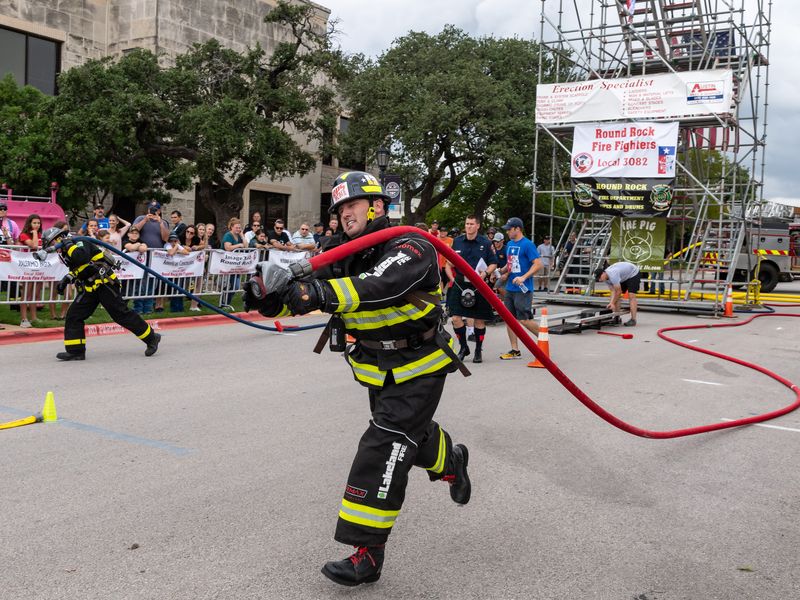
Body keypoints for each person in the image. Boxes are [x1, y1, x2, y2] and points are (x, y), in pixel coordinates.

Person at [243, 171, 471, 587]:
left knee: (383, 445)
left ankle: (367, 553)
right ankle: (450, 461)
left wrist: (316, 294)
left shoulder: (411, 244)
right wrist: (272, 300)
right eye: (339, 208)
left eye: (352, 205)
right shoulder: (337, 250)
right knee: (409, 438)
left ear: (377, 206)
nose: (344, 214)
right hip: (376, 369)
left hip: (420, 365)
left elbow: (378, 285)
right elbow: (309, 291)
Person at [36, 227, 160, 360]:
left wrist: (68, 245)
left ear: (59, 238)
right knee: (74, 316)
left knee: (121, 314)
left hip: (104, 283)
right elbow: (81, 267)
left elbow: (81, 257)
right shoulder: (67, 250)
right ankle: (75, 351)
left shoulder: (79, 242)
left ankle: (151, 338)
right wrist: (67, 279)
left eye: (52, 244)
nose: (54, 248)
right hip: (89, 288)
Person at [444, 215, 497, 364]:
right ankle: (463, 347)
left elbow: (493, 263)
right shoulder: (457, 241)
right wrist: (452, 279)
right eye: (467, 223)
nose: (469, 226)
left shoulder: (486, 243)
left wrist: (485, 273)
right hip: (460, 283)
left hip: (479, 284)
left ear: (478, 226)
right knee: (455, 318)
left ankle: (478, 350)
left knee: (479, 320)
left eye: (472, 224)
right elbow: (449, 263)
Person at [499, 217, 541, 363]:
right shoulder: (510, 244)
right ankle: (514, 350)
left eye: (509, 229)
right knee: (509, 319)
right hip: (510, 287)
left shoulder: (528, 244)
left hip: (523, 288)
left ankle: (543, 338)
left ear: (517, 229)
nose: (507, 232)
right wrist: (503, 271)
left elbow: (538, 264)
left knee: (524, 320)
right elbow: (511, 263)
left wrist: (523, 277)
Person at [132, 201, 170, 313]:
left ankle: (148, 308)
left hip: (156, 257)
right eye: (151, 209)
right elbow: (133, 231)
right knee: (140, 281)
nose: (153, 211)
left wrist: (160, 223)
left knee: (152, 282)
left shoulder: (163, 222)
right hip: (142, 255)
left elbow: (165, 238)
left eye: (155, 209)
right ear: (148, 209)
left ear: (159, 211)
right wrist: (145, 220)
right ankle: (138, 308)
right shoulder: (141, 218)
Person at [18, 214, 45, 327]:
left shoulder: (40, 235)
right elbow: (34, 246)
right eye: (34, 223)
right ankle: (24, 318)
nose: (37, 225)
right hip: (27, 268)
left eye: (38, 223)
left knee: (35, 294)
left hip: (38, 268)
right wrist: (34, 233)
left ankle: (34, 317)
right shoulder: (23, 235)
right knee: (26, 293)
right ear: (29, 223)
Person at [594, 261, 640, 326]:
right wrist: (611, 303)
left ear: (603, 273)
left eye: (600, 277)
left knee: (631, 295)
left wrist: (612, 303)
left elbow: (619, 292)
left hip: (633, 273)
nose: (599, 280)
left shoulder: (612, 274)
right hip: (623, 276)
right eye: (598, 279)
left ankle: (633, 320)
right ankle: (617, 318)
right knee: (616, 297)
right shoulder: (605, 278)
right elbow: (613, 291)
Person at [220, 217, 246, 310]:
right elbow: (227, 247)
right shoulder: (228, 235)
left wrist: (242, 236)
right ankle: (224, 303)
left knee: (236, 285)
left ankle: (226, 303)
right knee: (230, 284)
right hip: (227, 263)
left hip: (235, 264)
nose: (238, 229)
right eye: (236, 227)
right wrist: (239, 245)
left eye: (239, 227)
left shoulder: (239, 236)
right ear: (231, 227)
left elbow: (246, 245)